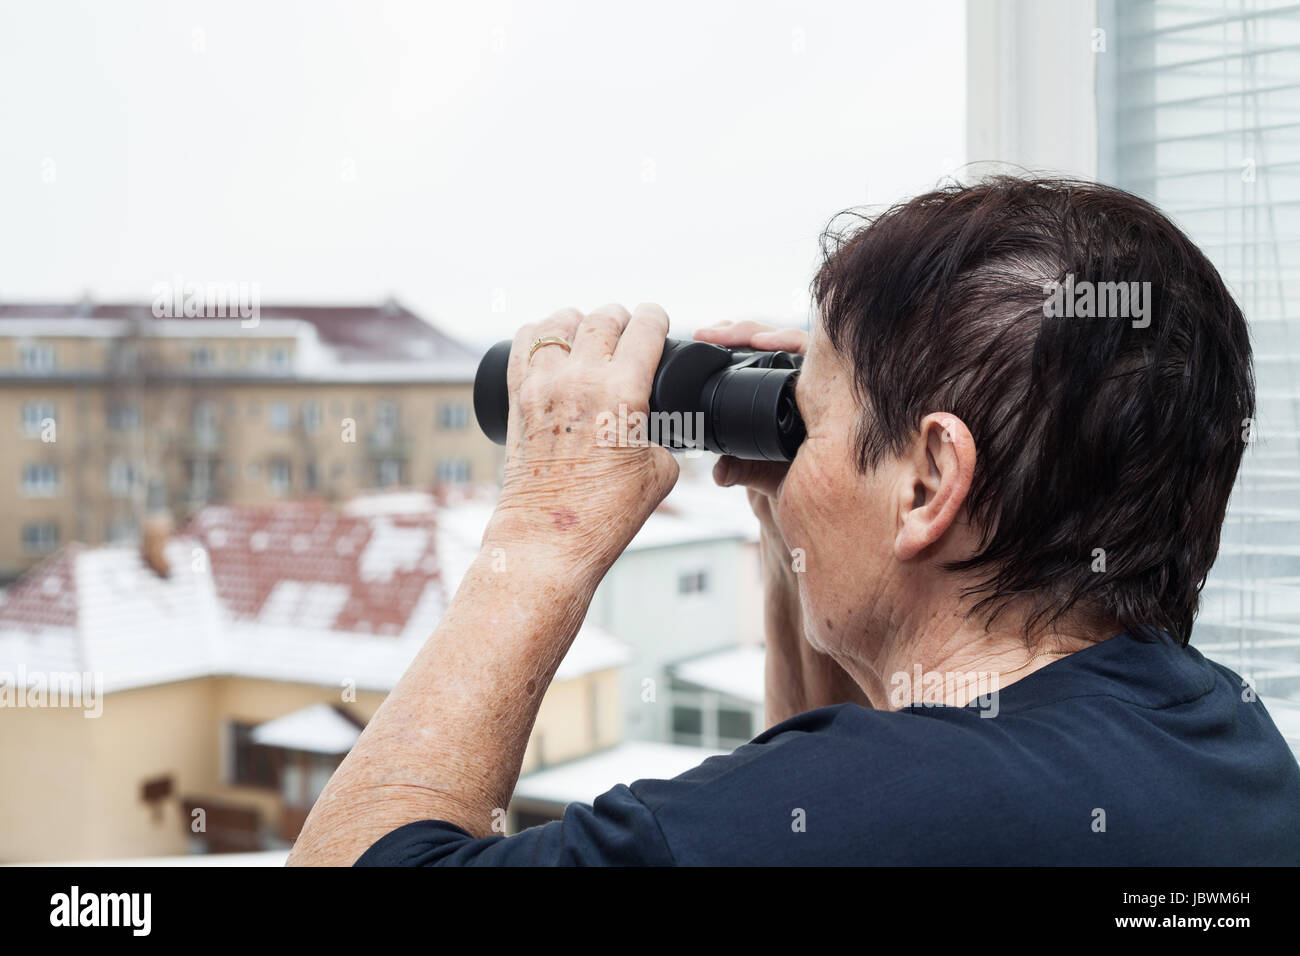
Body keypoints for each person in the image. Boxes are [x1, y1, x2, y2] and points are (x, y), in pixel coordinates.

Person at [287, 177, 1300, 866]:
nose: (793, 449)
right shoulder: (1226, 739)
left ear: (928, 480)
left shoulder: (894, 805)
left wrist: (545, 523)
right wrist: (798, 512)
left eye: (805, 422)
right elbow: (826, 779)